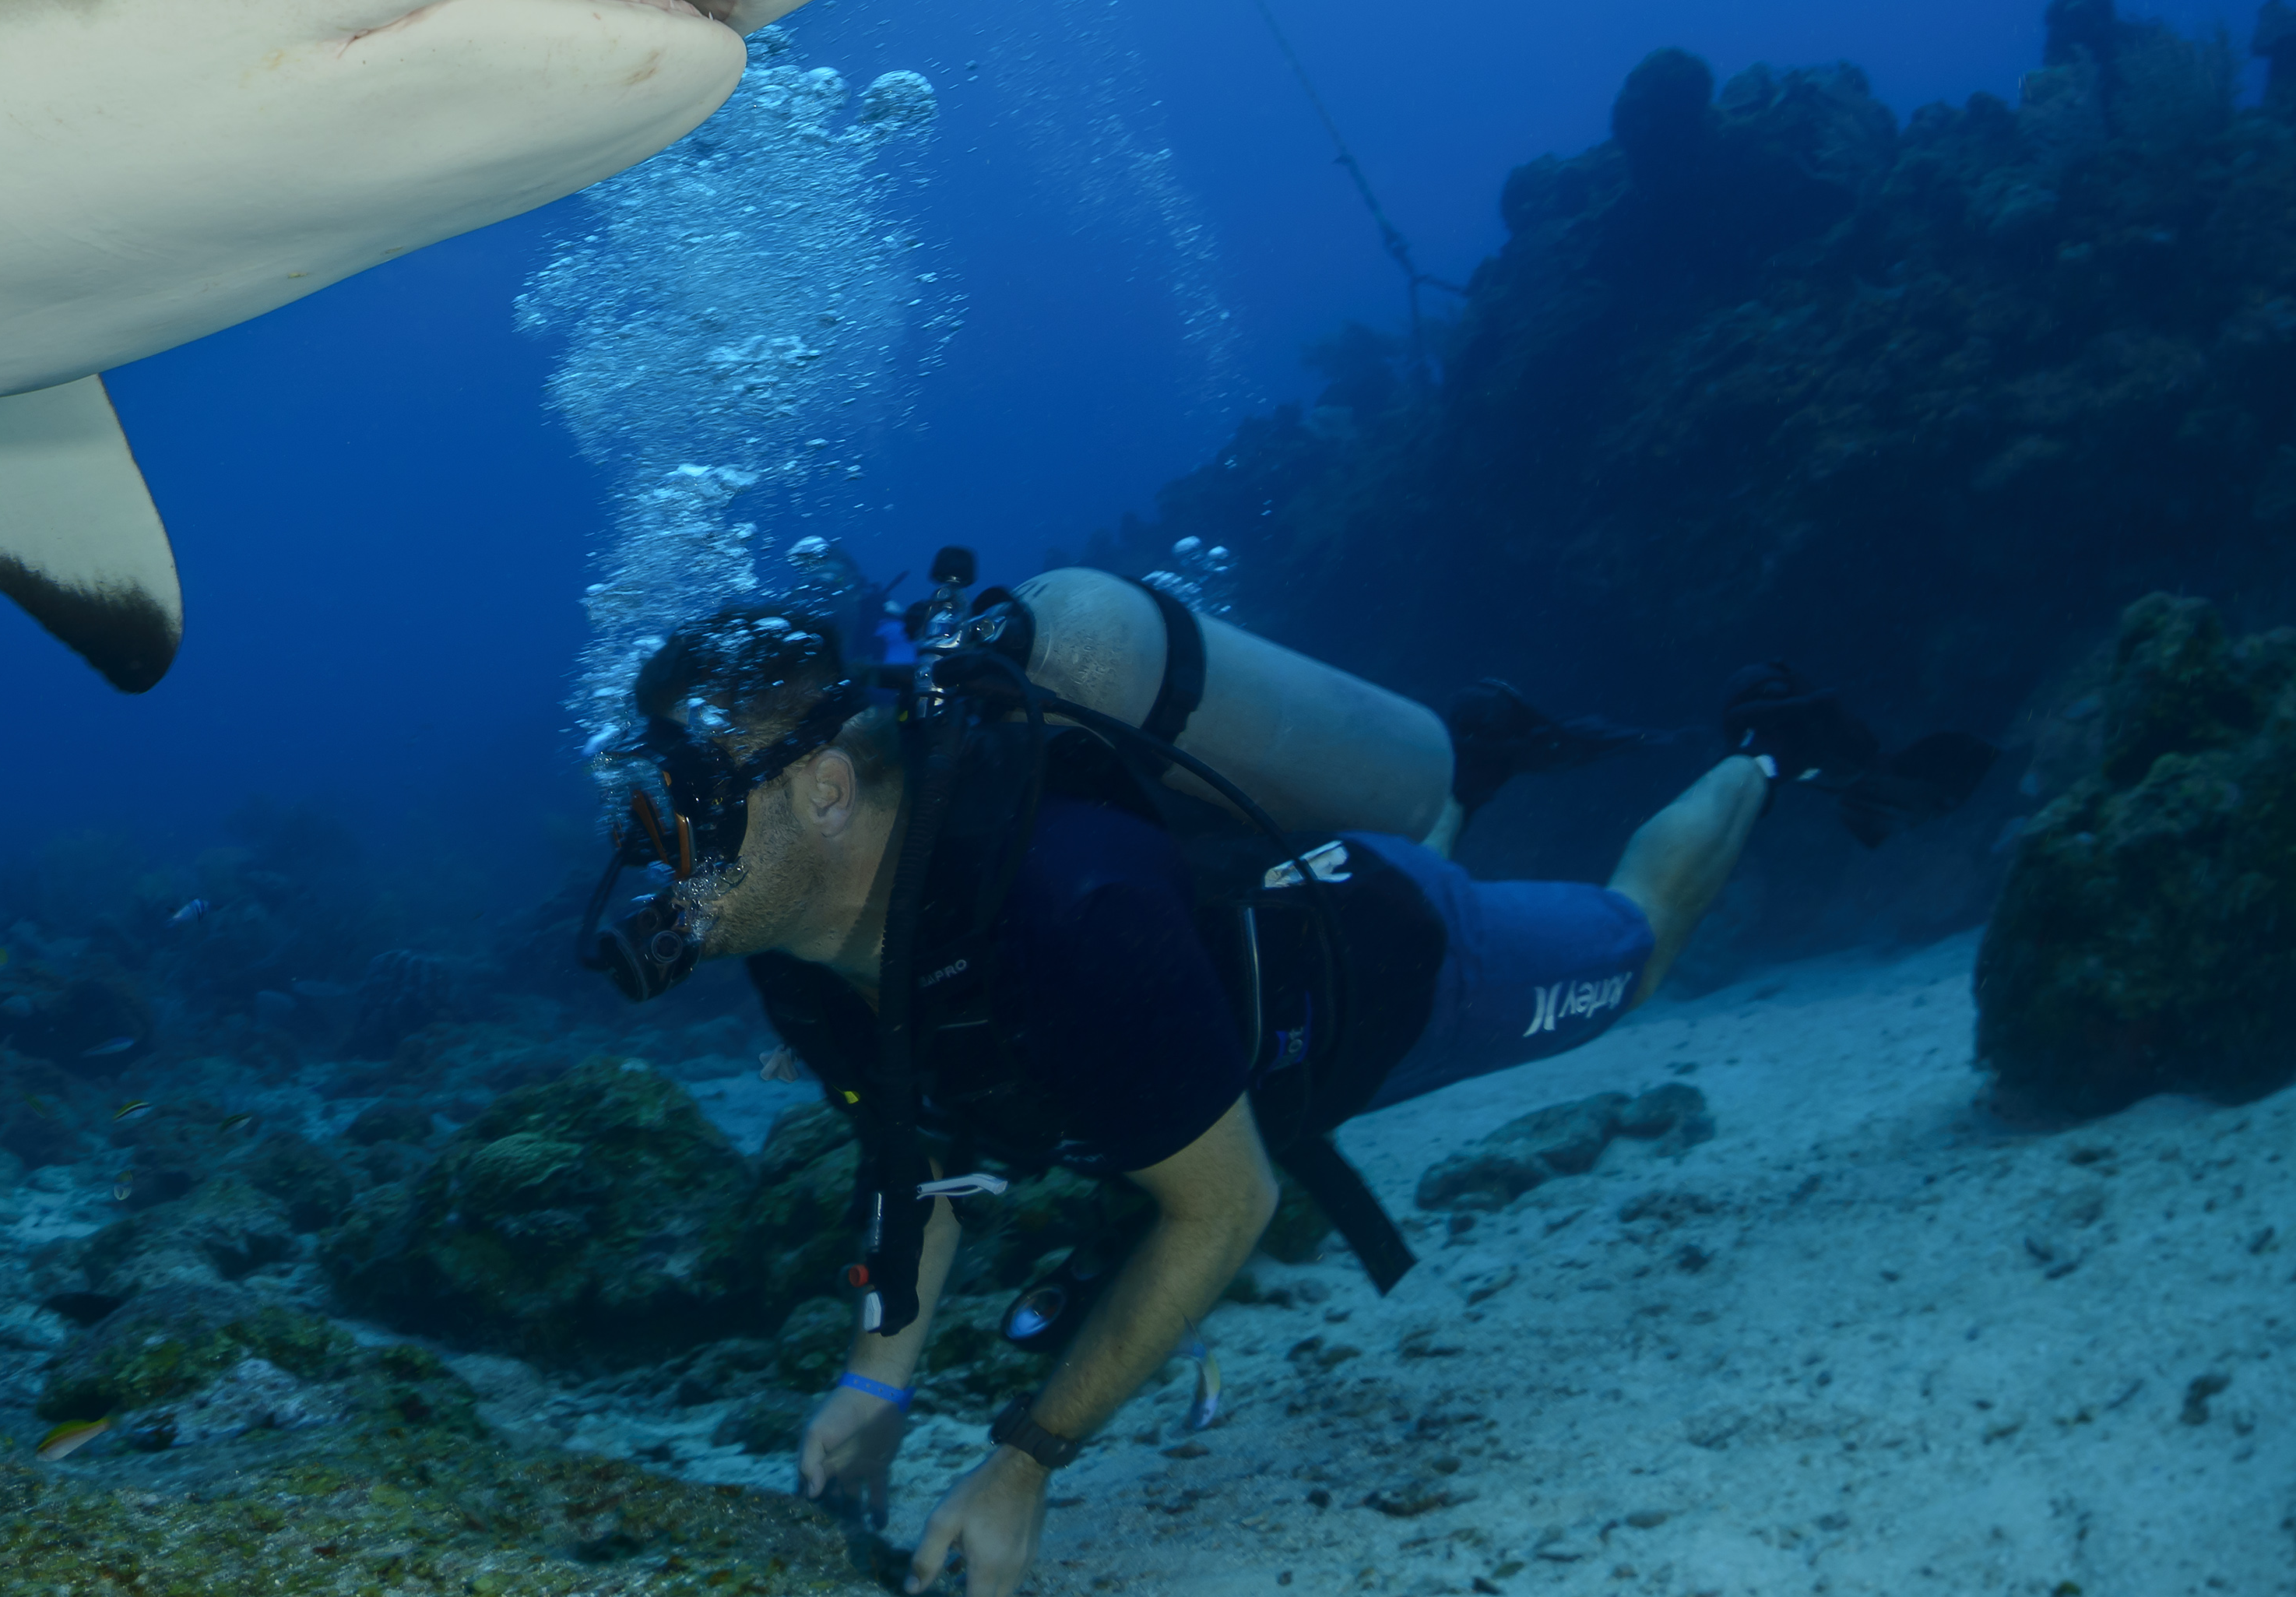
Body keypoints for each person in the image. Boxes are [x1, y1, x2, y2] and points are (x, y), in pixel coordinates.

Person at [613, 599, 1980, 1597]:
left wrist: (1021, 1462)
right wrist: (877, 1384)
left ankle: (1763, 747)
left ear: (832, 788)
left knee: (1631, 951)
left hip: (1398, 970)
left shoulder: (1067, 908)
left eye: (689, 808)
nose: (658, 856)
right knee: (1360, 879)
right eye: (647, 812)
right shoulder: (797, 947)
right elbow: (929, 1155)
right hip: (1227, 959)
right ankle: (1476, 761)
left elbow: (1225, 1206)